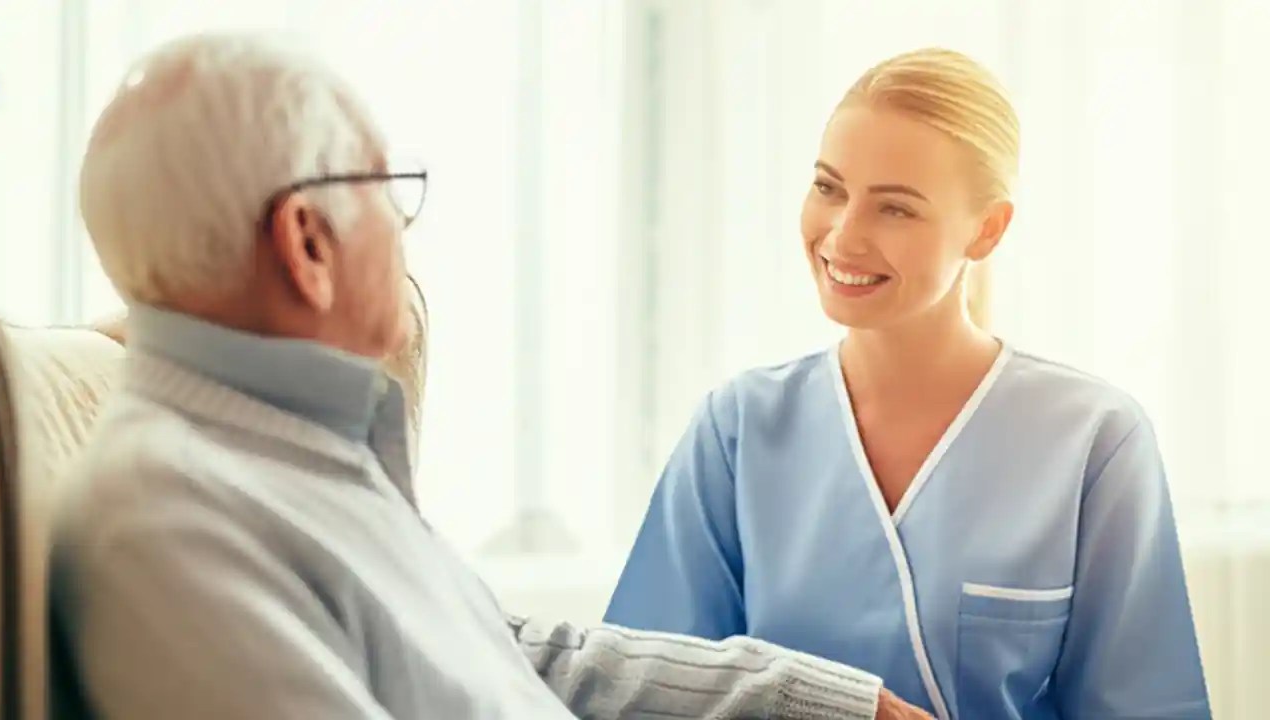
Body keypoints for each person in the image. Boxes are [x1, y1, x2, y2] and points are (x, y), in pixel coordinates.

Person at [49, 33, 935, 720]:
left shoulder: (280, 443)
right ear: (307, 244)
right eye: (385, 189)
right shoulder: (169, 516)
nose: (403, 229)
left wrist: (822, 702)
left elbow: (505, 649)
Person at [603, 47, 1212, 720]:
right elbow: (651, 691)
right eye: (828, 188)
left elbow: (1146, 707)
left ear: (986, 229)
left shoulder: (1094, 439)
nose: (843, 235)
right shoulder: (739, 428)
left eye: (895, 209)